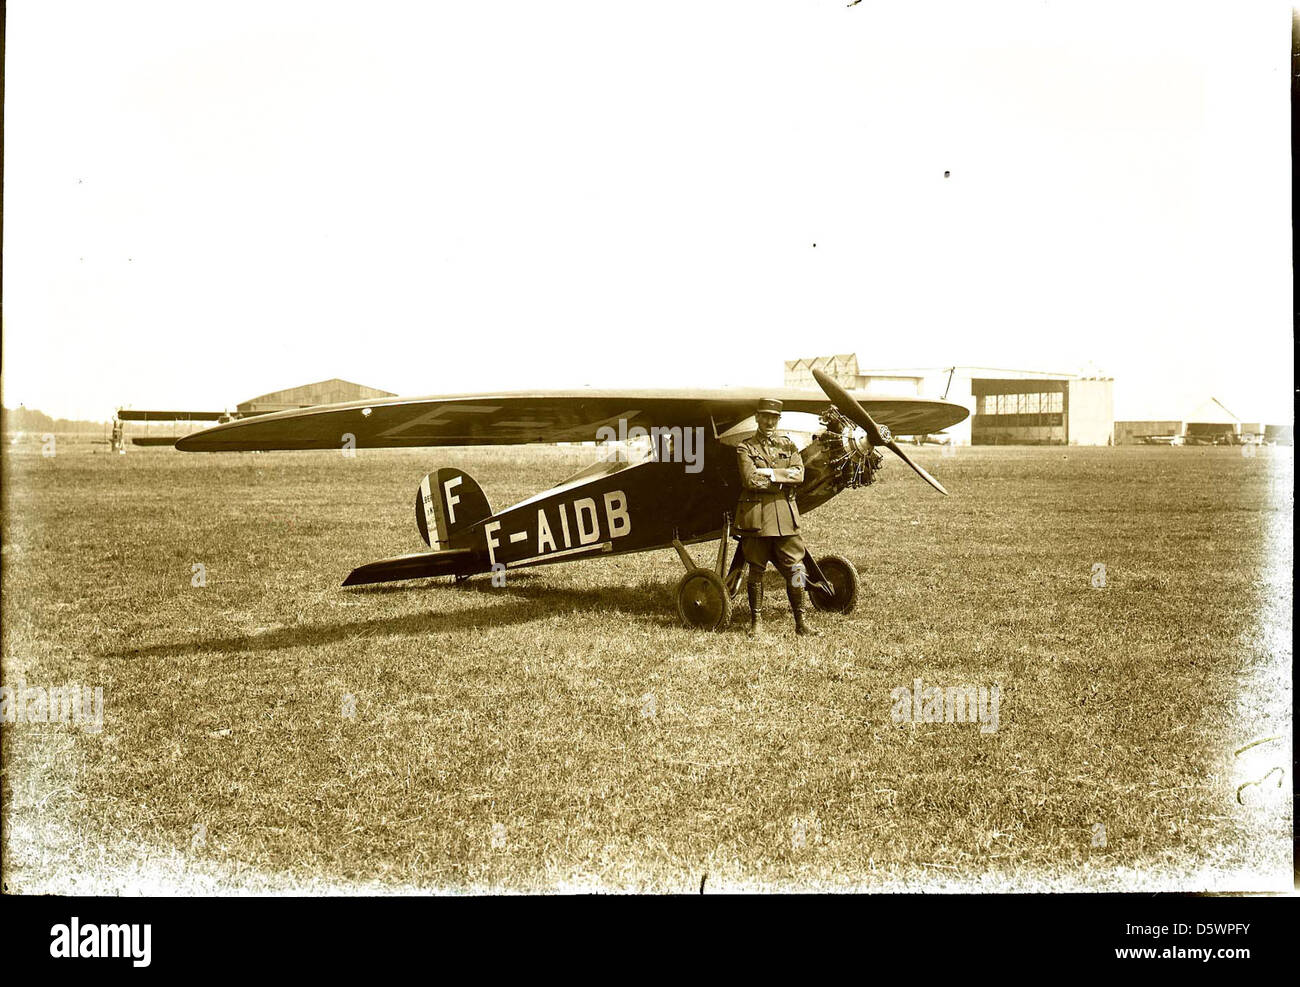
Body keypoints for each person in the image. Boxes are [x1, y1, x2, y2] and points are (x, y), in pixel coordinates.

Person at [735, 398, 819, 637]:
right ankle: (756, 623)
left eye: (774, 418)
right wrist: (783, 478)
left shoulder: (789, 446)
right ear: (757, 418)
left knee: (797, 569)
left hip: (785, 517)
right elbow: (750, 479)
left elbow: (799, 474)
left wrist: (769, 473)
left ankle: (801, 623)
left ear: (778, 420)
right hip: (757, 517)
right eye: (765, 417)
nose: (769, 421)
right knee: (756, 570)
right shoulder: (745, 447)